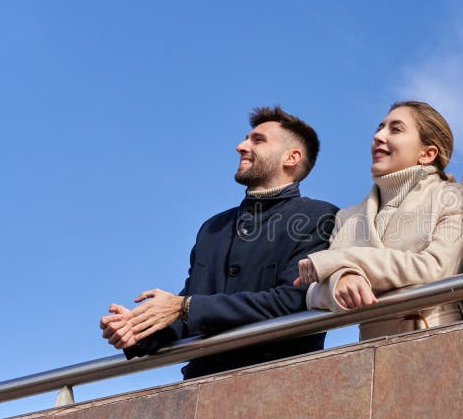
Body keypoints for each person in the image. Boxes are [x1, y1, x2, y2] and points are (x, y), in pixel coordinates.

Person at [99, 106, 338, 379]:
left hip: (280, 384)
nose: (240, 146)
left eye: (257, 140)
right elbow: (190, 315)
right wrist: (139, 330)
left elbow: (294, 300)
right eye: (246, 138)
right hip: (201, 385)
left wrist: (184, 306)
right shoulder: (213, 228)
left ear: (292, 157)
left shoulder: (321, 217)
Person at [295, 101, 463, 340]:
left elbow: (437, 269)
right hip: (372, 352)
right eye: (379, 128)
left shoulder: (452, 196)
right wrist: (341, 280)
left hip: (438, 342)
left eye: (395, 129)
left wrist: (342, 260)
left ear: (427, 154)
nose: (378, 136)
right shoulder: (347, 217)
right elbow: (314, 293)